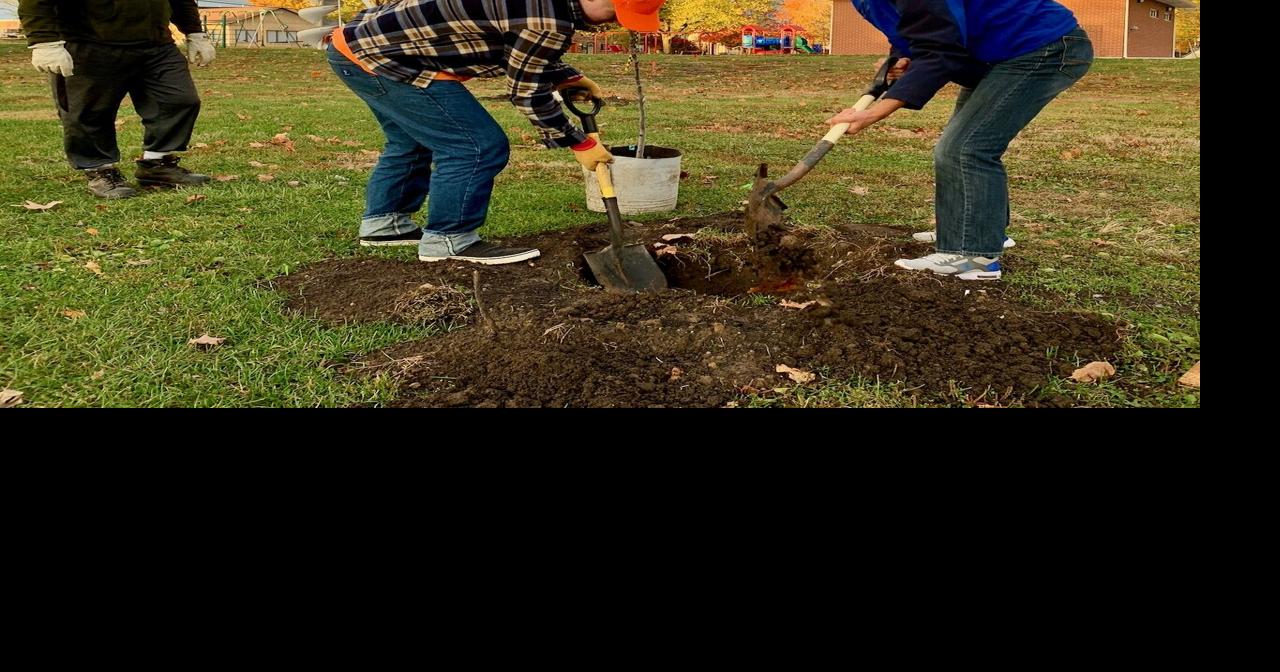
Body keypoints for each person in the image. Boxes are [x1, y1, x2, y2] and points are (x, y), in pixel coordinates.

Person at [329, 0, 665, 265]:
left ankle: (385, 225)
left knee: (412, 139)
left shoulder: (545, 9)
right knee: (476, 145)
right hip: (385, 59)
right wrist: (577, 141)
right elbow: (527, 91)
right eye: (614, 12)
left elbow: (508, 42)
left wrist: (565, 76)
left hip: (354, 47)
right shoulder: (547, 20)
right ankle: (449, 240)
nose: (613, 23)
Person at [826, 0, 1094, 280]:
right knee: (962, 147)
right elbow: (916, 31)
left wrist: (872, 114)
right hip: (1001, 54)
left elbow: (941, 50)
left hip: (1039, 46)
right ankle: (979, 232)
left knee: (966, 148)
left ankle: (974, 256)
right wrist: (903, 57)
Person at [19, 0, 216, 199]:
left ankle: (157, 164)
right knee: (89, 112)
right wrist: (44, 42)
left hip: (156, 44)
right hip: (88, 42)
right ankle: (100, 170)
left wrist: (195, 33)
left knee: (179, 100)